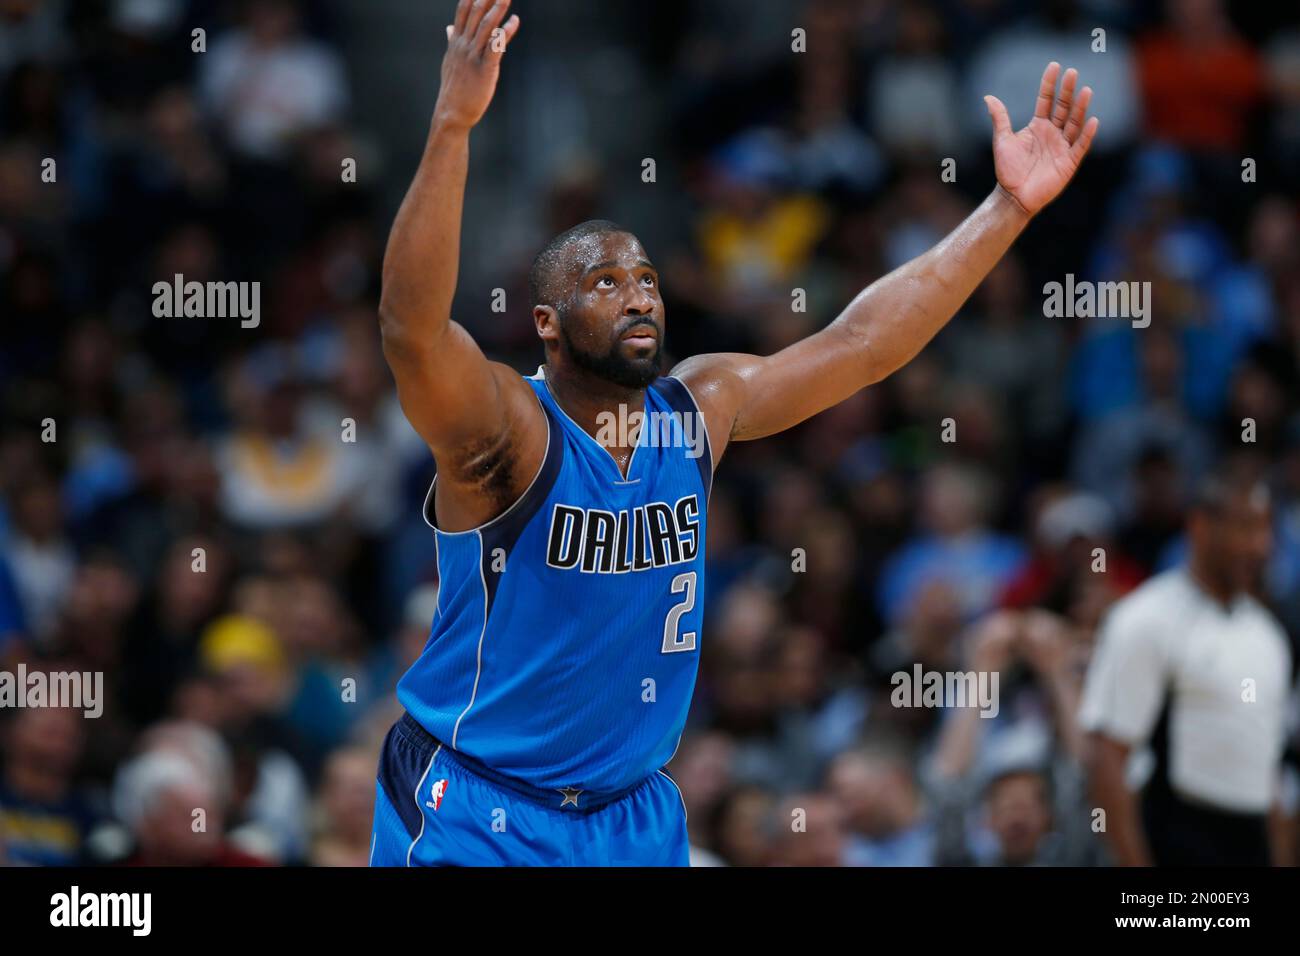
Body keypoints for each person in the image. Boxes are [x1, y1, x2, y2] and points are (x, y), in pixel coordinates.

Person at [369, 0, 1098, 866]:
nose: (638, 293)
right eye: (603, 282)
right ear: (548, 325)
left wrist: (1007, 208)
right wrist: (452, 124)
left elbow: (862, 345)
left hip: (632, 813)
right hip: (479, 803)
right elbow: (413, 332)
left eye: (645, 275)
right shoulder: (509, 435)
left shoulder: (701, 407)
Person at [1080, 470, 1293, 865]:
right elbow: (1107, 758)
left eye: (1266, 530)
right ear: (1200, 526)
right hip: (1176, 836)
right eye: (1245, 528)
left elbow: (1270, 778)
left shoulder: (1269, 637)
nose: (1260, 547)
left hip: (1251, 843)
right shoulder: (1146, 619)